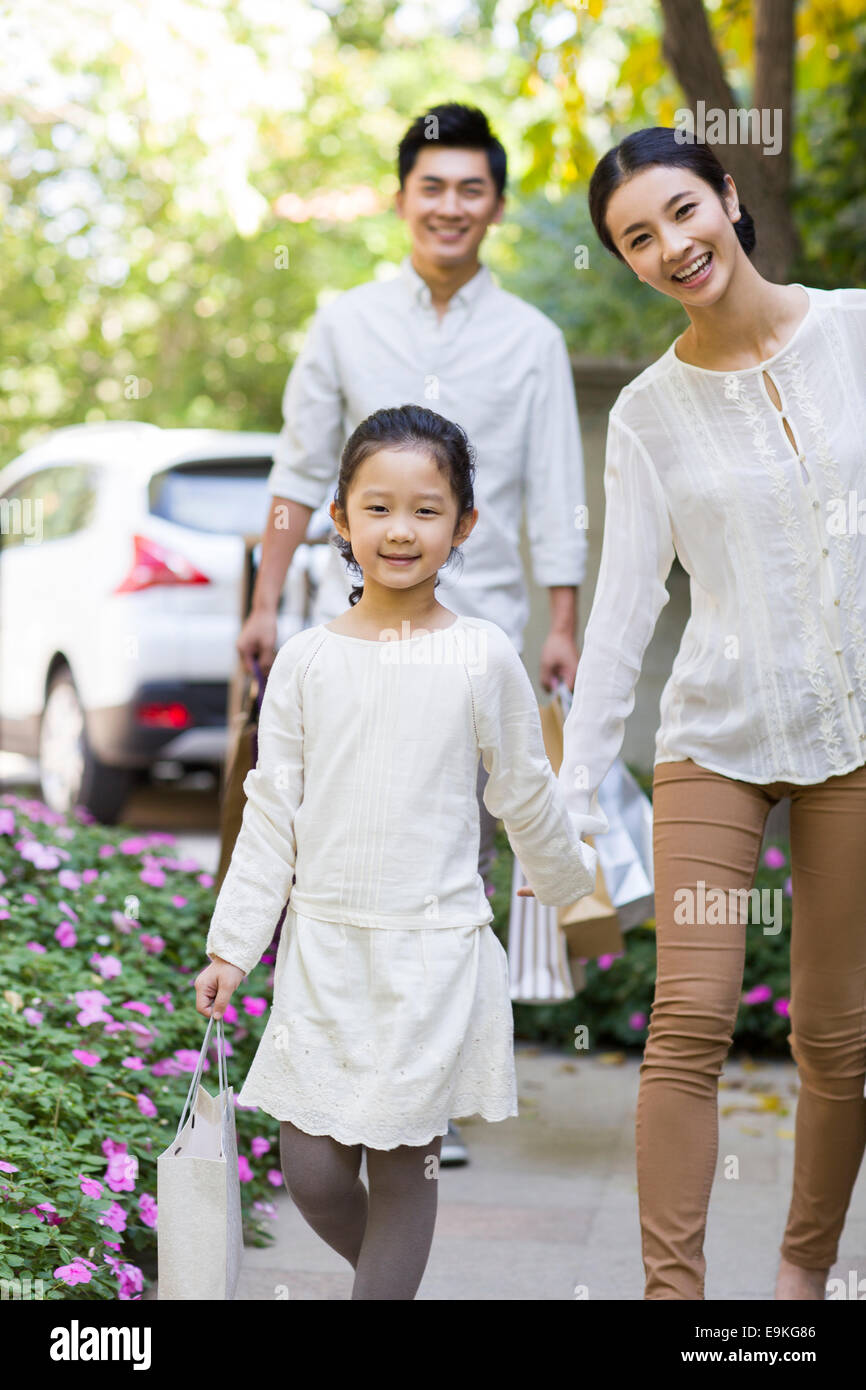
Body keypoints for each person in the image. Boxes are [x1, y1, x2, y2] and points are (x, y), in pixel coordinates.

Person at [236, 101, 589, 1163]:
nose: (448, 205)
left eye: (469, 188)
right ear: (401, 199)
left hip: (480, 622)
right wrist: (262, 600)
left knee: (457, 829)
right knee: (345, 819)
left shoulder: (532, 337)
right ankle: (339, 1062)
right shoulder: (343, 320)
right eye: (429, 186)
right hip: (349, 626)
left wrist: (561, 620)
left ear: (494, 205)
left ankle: (426, 1084)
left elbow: (557, 491)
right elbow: (299, 471)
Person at [551, 126, 866, 1301]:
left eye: (681, 211)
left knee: (836, 1042)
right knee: (684, 1020)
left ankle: (797, 1282)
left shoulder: (853, 332)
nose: (671, 244)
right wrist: (575, 795)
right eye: (637, 236)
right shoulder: (645, 414)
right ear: (627, 261)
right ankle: (671, 1305)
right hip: (715, 740)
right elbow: (624, 611)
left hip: (853, 740)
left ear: (726, 197)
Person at [195, 404, 596, 1300]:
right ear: (339, 519)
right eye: (377, 508)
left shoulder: (483, 655)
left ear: (464, 525)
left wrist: (572, 893)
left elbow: (523, 790)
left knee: (404, 1161)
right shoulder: (302, 662)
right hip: (324, 951)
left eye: (426, 509)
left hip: (435, 949)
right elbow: (271, 814)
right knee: (314, 1172)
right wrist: (235, 945)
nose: (401, 530)